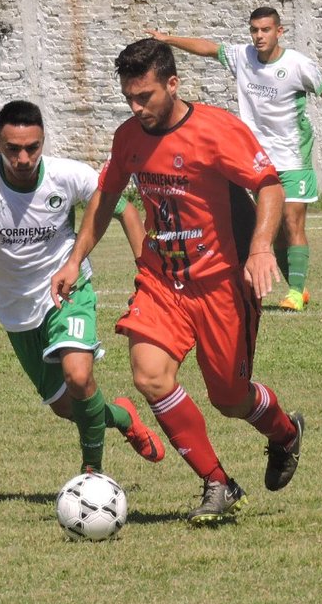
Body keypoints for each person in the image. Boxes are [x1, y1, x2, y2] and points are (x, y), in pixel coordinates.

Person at [50, 39, 305, 525]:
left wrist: (258, 249)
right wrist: (73, 259)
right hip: (162, 281)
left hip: (222, 285)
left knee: (230, 399)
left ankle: (285, 433)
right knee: (148, 374)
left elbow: (269, 185)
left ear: (172, 83)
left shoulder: (218, 130)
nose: (136, 106)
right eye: (129, 97)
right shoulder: (128, 137)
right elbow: (105, 199)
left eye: (144, 96)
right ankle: (217, 482)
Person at [0, 99, 164, 476]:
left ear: (43, 142)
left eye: (32, 148)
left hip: (67, 290)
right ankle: (123, 417)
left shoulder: (67, 176)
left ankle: (92, 474)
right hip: (16, 310)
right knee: (66, 405)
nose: (23, 158)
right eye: (13, 149)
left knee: (80, 377)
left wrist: (144, 269)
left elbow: (124, 209)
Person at [149, 6, 322, 312]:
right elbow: (209, 47)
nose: (258, 36)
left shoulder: (297, 65)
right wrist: (167, 39)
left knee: (292, 221)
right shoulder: (243, 57)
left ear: (279, 32)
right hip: (257, 160)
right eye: (254, 30)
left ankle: (294, 291)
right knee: (274, 228)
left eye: (265, 30)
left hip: (293, 157)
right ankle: (298, 287)